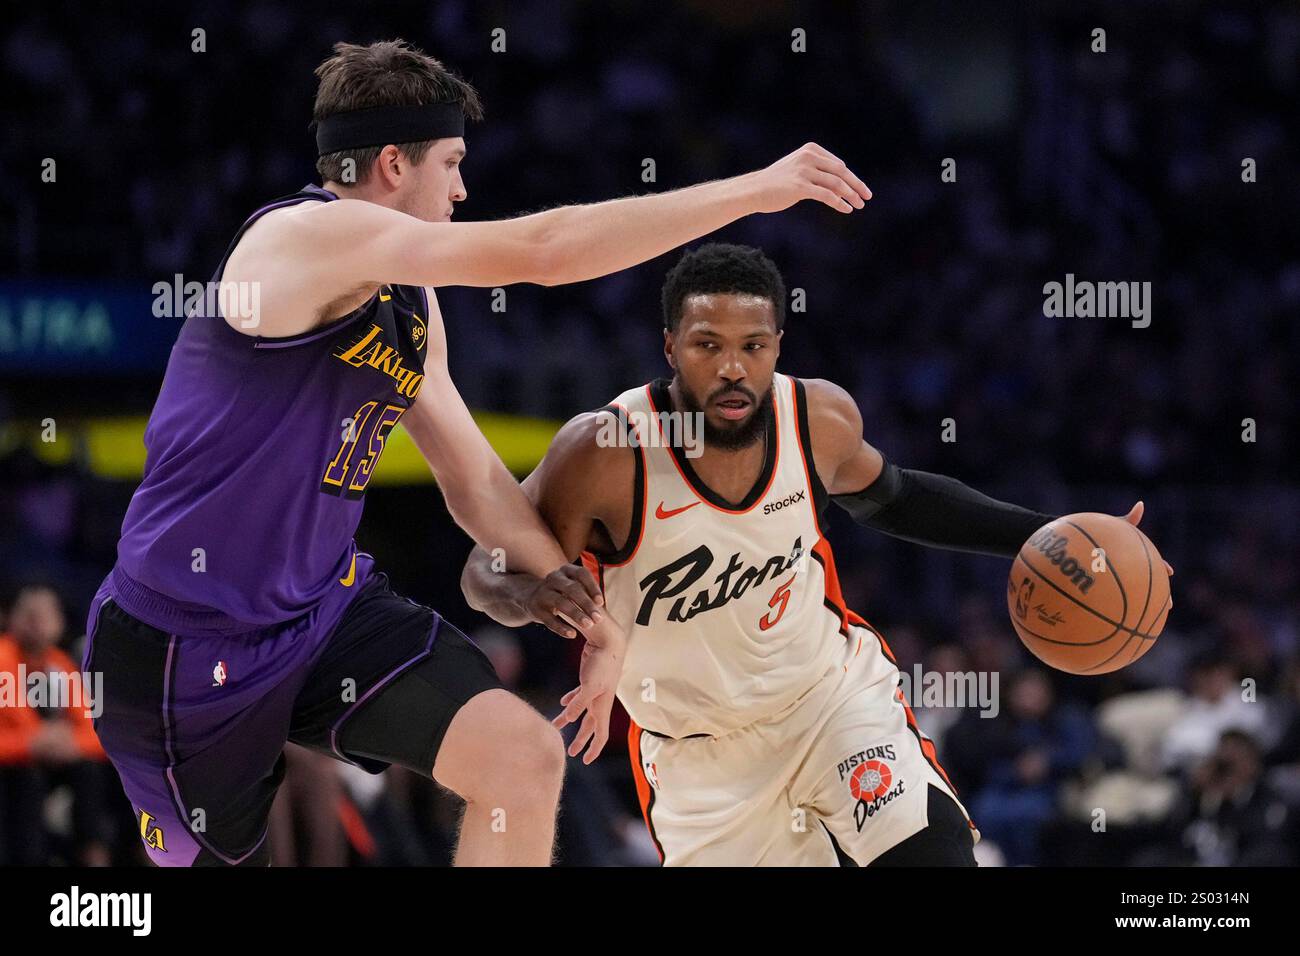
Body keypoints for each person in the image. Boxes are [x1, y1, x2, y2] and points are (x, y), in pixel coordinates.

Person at [84, 39, 871, 867]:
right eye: (452, 163)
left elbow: (475, 483)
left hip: (320, 613)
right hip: (182, 643)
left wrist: (595, 624)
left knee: (523, 762)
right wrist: (756, 190)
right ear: (392, 162)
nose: (462, 188)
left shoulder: (408, 299)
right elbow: (543, 252)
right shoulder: (298, 242)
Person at [461, 242, 1169, 865]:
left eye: (754, 345)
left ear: (777, 344)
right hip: (699, 753)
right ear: (671, 346)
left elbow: (901, 498)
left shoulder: (817, 419)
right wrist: (526, 595)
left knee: (935, 854)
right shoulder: (603, 452)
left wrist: (1057, 536)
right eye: (709, 345)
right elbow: (479, 568)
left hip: (827, 699)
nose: (734, 369)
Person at [0, 584, 111, 865]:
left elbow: (95, 733)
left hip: (47, 762)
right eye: (29, 613)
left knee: (89, 770)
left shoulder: (60, 666)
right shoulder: (3, 658)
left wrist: (70, 744)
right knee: (28, 779)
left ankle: (94, 854)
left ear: (60, 622)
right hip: (14, 766)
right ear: (9, 617)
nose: (37, 622)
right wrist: (32, 743)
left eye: (45, 614)